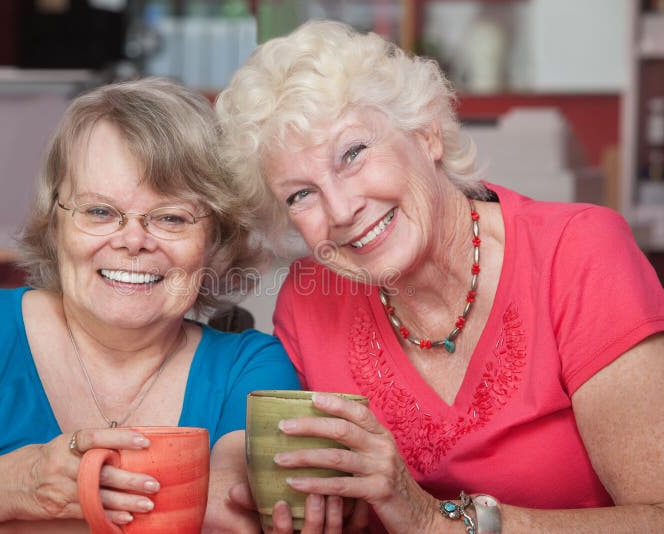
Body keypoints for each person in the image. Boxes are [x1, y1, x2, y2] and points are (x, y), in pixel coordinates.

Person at [215, 19, 664, 534]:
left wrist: (436, 521)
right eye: (300, 194)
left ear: (426, 133)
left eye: (354, 154)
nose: (339, 210)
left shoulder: (579, 252)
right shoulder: (308, 301)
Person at [0, 77, 300, 533]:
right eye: (99, 211)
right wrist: (18, 485)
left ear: (216, 241)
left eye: (171, 218)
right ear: (55, 224)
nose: (133, 241)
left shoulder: (252, 369)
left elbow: (229, 522)